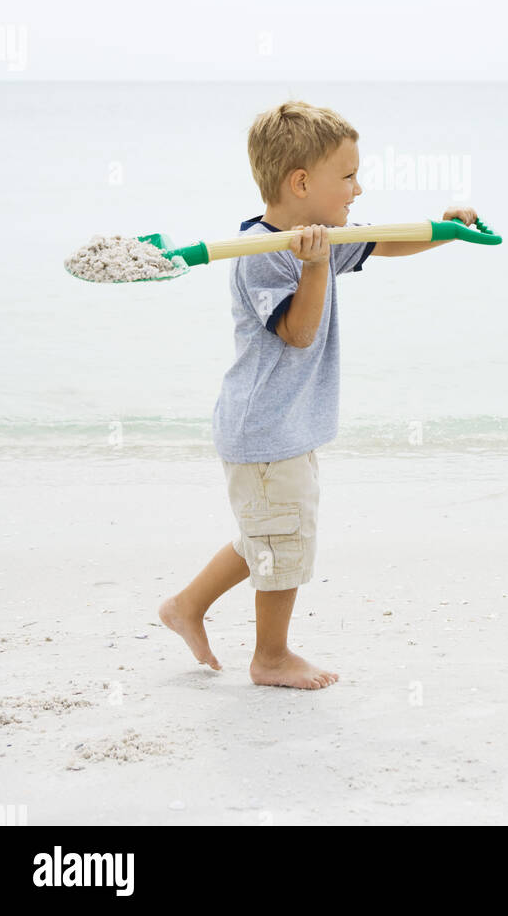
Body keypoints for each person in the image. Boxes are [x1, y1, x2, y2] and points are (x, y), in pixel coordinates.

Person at [159, 99, 477, 689]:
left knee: (271, 530)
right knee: (283, 540)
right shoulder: (261, 255)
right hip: (264, 427)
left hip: (288, 424)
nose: (358, 189)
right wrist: (312, 268)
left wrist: (447, 231)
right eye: (349, 176)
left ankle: (185, 606)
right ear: (301, 182)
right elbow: (299, 335)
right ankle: (271, 658)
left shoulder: (323, 236)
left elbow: (384, 243)